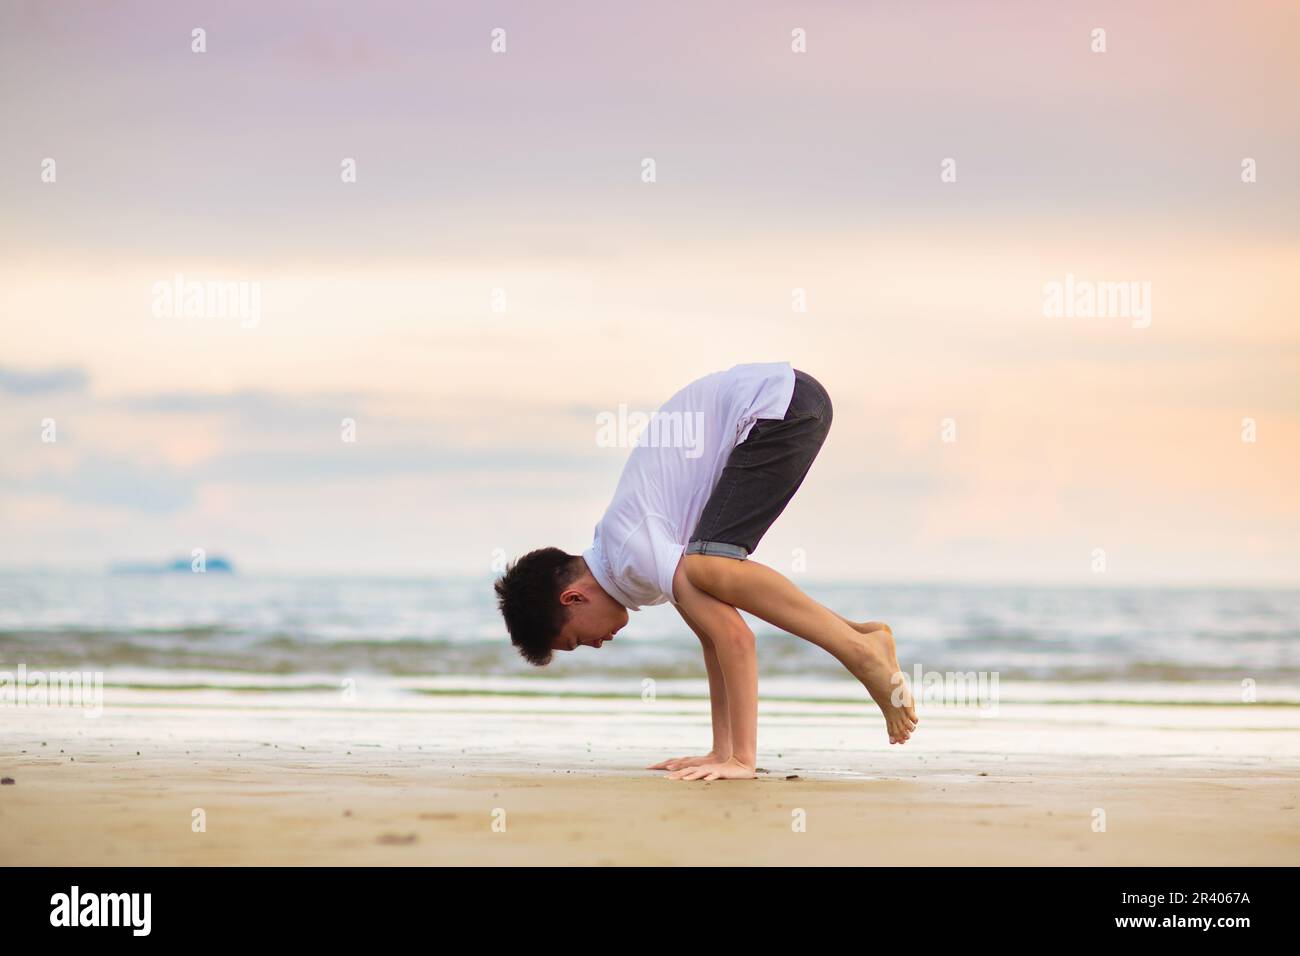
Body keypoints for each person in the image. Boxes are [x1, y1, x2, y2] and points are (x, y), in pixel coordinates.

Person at [494, 361, 918, 781]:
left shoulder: (631, 552)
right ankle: (862, 637)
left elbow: (737, 638)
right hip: (783, 405)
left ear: (573, 597)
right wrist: (722, 751)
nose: (597, 645)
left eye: (577, 640)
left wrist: (742, 762)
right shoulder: (629, 562)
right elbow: (714, 639)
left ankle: (859, 653)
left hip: (775, 407)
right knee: (707, 568)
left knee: (709, 566)